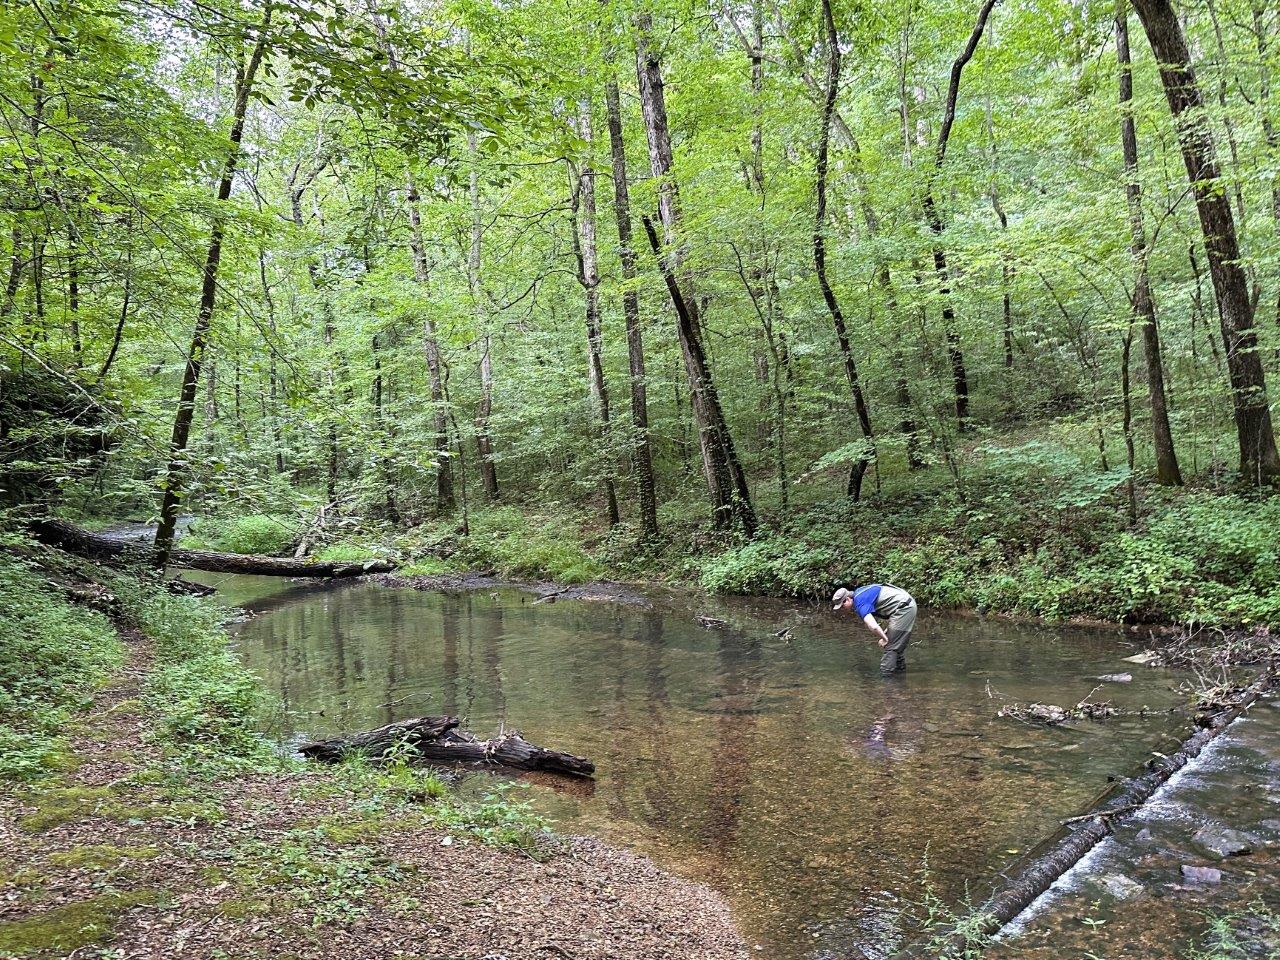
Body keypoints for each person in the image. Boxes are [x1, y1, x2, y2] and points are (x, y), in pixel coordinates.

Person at [832, 583, 917, 676]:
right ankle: (900, 679)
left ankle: (888, 682)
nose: (842, 609)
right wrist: (887, 632)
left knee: (891, 647)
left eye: (842, 606)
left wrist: (885, 639)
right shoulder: (860, 593)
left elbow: (873, 626)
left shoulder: (860, 602)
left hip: (904, 608)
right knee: (896, 648)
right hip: (904, 605)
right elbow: (892, 609)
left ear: (847, 599)